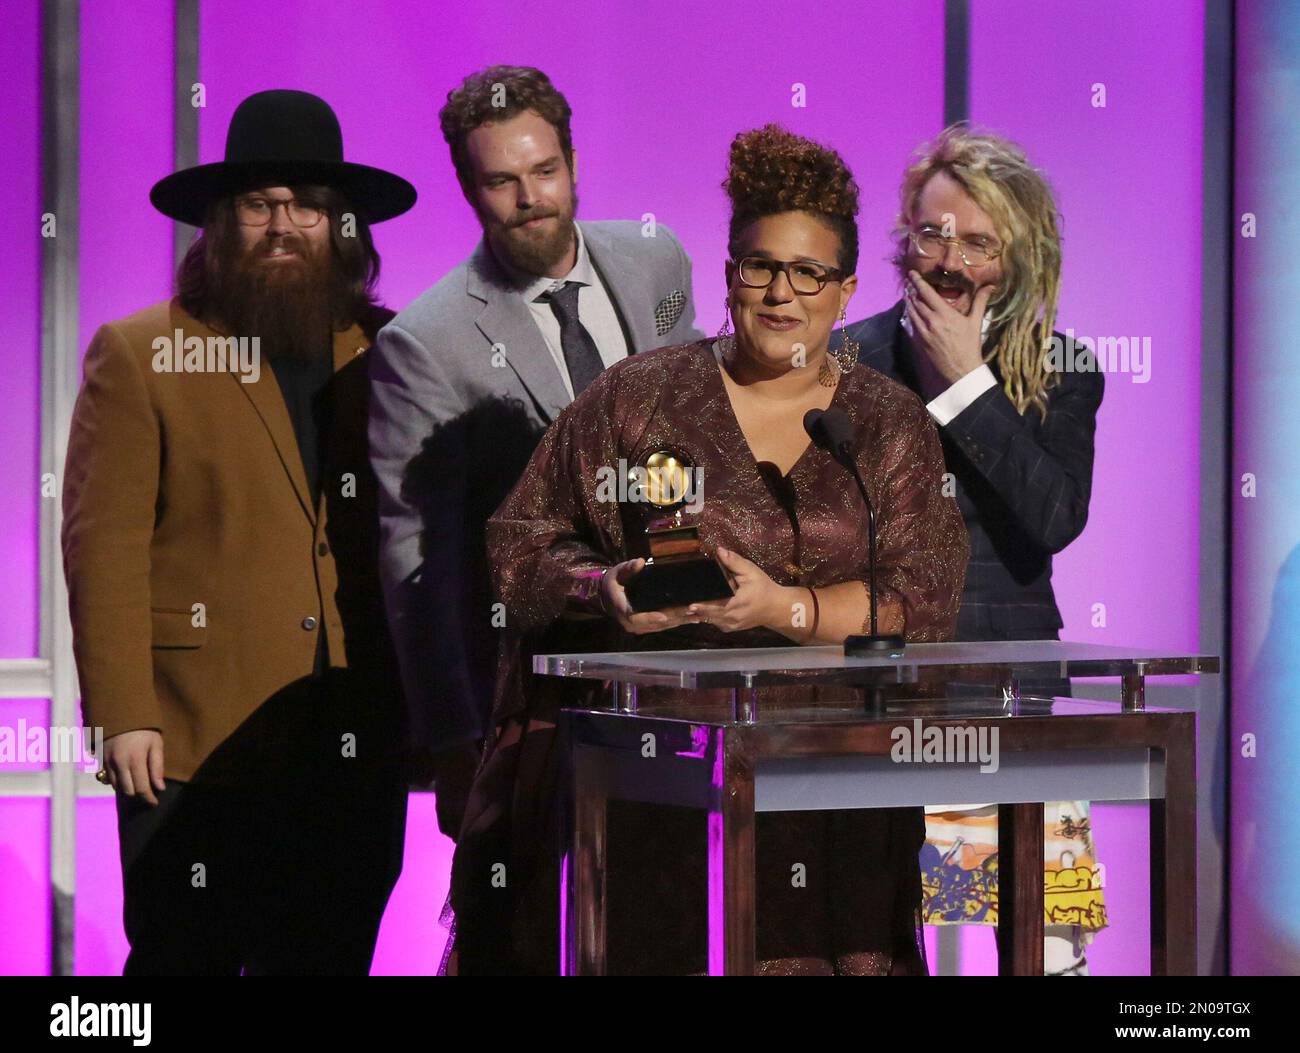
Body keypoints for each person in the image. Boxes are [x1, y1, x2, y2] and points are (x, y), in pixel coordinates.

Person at [448, 124, 970, 975]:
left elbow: (923, 602)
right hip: (665, 790)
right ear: (729, 275)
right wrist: (598, 586)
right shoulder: (641, 398)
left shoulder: (885, 422)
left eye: (809, 273)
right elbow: (518, 543)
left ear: (845, 292)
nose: (780, 293)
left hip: (840, 786)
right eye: (760, 266)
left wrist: (784, 610)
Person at [62, 90, 415, 975]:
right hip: (193, 743)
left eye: (308, 206)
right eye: (259, 205)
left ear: (344, 229)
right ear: (220, 225)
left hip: (350, 738)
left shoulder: (393, 352)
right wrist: (123, 714)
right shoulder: (143, 352)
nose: (283, 225)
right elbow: (102, 546)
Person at [368, 66, 700, 839]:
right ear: (468, 188)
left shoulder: (658, 261)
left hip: (680, 675)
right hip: (532, 690)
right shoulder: (426, 341)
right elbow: (416, 564)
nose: (530, 199)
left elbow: (686, 446)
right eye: (503, 181)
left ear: (574, 162)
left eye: (546, 171)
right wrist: (454, 741)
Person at [839, 124, 1107, 974]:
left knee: (1048, 947)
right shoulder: (848, 359)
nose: (950, 262)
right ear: (903, 238)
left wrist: (967, 385)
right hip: (877, 697)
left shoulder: (1061, 366)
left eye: (979, 243)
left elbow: (1055, 514)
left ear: (1019, 257)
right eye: (932, 234)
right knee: (880, 937)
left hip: (1011, 694)